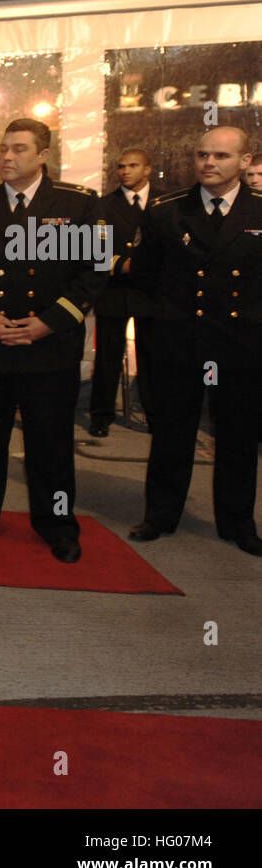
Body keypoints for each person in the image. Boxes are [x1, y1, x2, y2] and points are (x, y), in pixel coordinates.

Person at [0, 118, 105, 562]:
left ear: (43, 155)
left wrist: (49, 322)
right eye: (2, 149)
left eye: (18, 149)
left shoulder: (80, 205)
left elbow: (96, 271)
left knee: (50, 443)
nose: (7, 158)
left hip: (49, 346)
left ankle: (58, 525)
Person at [128, 126, 262, 556]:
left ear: (244, 161)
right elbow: (145, 275)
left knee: (239, 436)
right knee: (171, 432)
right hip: (181, 341)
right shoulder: (167, 211)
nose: (208, 163)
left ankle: (237, 522)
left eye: (221, 156)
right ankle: (160, 515)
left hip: (239, 343)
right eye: (203, 155)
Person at [88, 149, 164, 436]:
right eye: (121, 166)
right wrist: (122, 264)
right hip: (114, 290)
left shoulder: (165, 203)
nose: (125, 171)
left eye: (133, 165)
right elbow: (94, 251)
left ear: (147, 169)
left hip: (152, 293)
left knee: (152, 356)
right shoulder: (104, 206)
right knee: (107, 356)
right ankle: (101, 415)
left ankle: (156, 412)